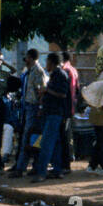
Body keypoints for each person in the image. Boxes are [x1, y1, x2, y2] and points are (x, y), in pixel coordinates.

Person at [31, 52, 70, 183]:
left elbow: (62, 94)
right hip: (52, 113)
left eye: (47, 62)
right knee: (56, 143)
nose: (46, 64)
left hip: (55, 114)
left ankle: (41, 173)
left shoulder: (60, 75)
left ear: (52, 62)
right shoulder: (55, 75)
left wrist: (46, 91)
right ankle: (57, 171)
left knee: (46, 143)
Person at [10, 49, 46, 177]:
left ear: (30, 58)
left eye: (26, 58)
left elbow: (41, 91)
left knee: (29, 138)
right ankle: (32, 166)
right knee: (32, 138)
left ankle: (21, 168)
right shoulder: (29, 72)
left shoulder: (38, 72)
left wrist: (40, 108)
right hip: (28, 107)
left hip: (34, 108)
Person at [59, 50, 80, 172]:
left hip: (64, 108)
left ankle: (65, 164)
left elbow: (63, 91)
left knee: (63, 136)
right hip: (71, 106)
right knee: (68, 134)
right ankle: (69, 158)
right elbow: (77, 89)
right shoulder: (73, 70)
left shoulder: (64, 70)